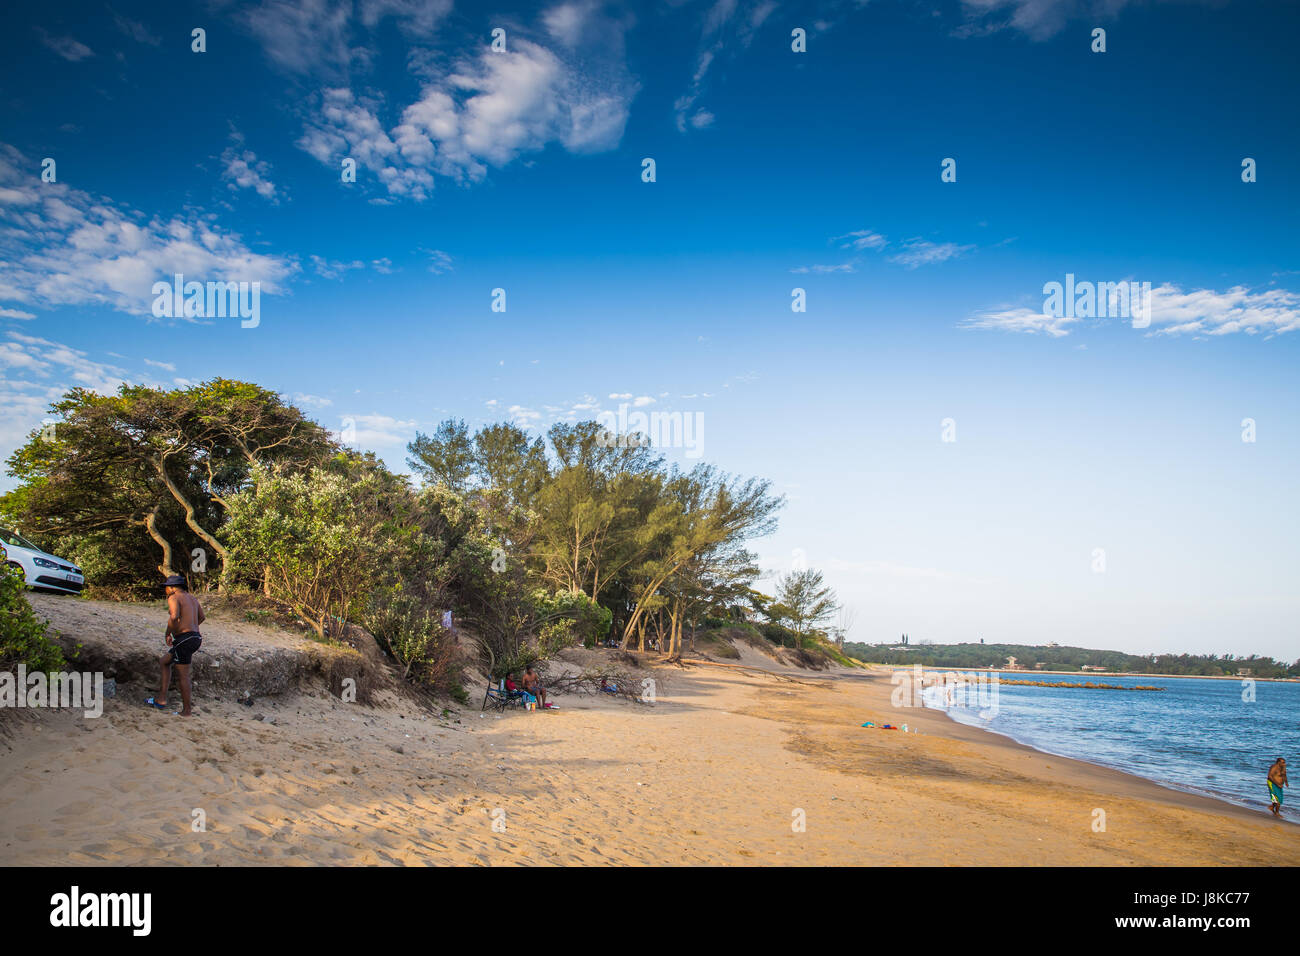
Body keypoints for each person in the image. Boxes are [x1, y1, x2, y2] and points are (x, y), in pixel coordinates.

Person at [146, 574, 204, 716]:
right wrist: (191, 626)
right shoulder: (192, 598)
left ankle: (186, 711)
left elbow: (174, 616)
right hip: (195, 637)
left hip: (184, 639)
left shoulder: (174, 597)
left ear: (172, 588)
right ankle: (161, 699)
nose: (165, 590)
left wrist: (168, 633)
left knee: (183, 676)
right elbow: (202, 617)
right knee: (164, 662)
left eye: (166, 587)